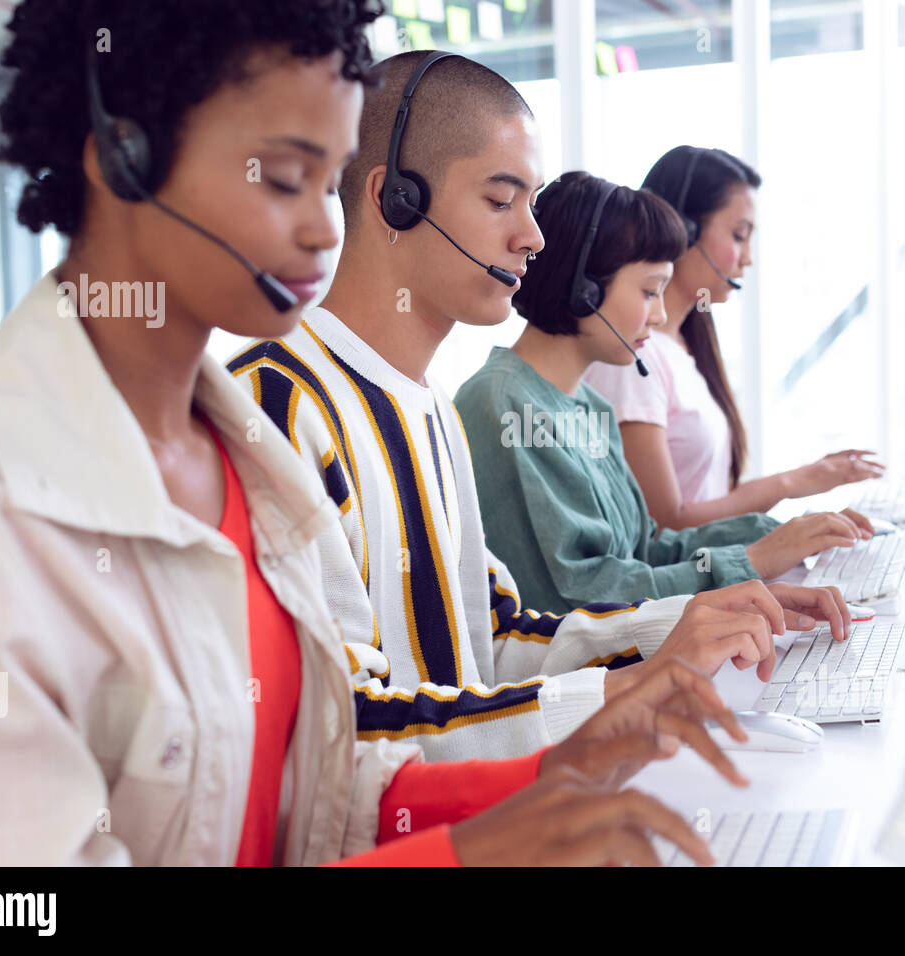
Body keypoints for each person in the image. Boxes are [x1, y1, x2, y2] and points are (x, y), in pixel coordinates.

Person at [0, 0, 751, 867]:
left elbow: (320, 788)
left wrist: (574, 749)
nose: (322, 226)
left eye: (327, 179)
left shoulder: (242, 455)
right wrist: (465, 852)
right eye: (280, 177)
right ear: (125, 158)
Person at [232, 51, 838, 762]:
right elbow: (349, 729)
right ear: (395, 200)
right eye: (500, 200)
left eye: (532, 201)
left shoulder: (430, 408)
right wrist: (622, 694)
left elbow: (494, 636)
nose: (534, 237)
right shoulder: (280, 406)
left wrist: (689, 621)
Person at [454, 171, 864, 616]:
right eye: (650, 291)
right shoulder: (504, 405)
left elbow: (647, 550)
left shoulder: (589, 405)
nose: (661, 314)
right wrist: (752, 560)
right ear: (584, 289)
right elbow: (583, 594)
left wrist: (776, 534)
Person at [583, 146, 887, 532]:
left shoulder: (682, 348)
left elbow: (707, 502)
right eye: (739, 235)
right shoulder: (633, 361)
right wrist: (793, 484)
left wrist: (796, 521)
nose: (748, 259)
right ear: (684, 229)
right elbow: (665, 525)